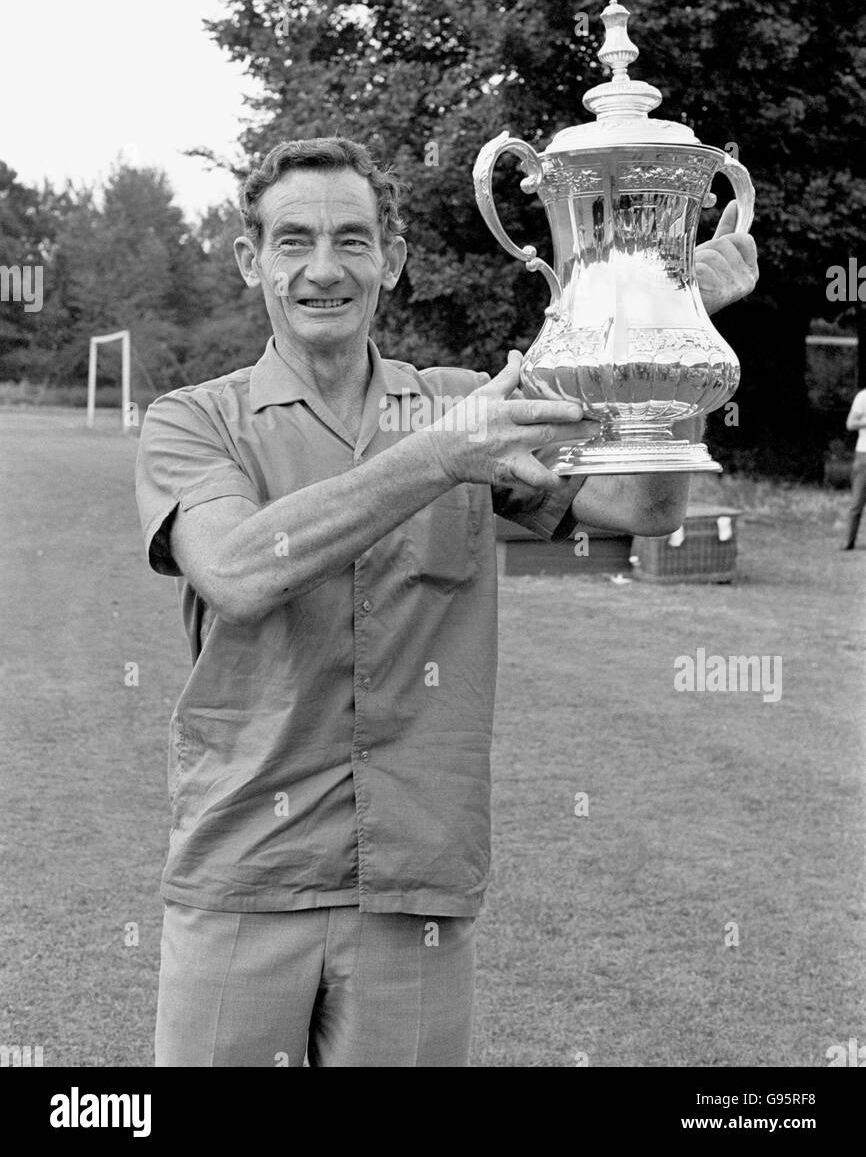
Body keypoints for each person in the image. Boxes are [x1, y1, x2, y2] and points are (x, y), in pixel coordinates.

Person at [135, 136, 758, 1067]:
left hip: (414, 885)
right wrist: (441, 456)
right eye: (294, 240)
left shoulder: (466, 404)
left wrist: (667, 330)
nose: (323, 269)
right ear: (249, 260)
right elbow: (236, 570)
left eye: (353, 240)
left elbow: (641, 507)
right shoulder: (193, 419)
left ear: (393, 259)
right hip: (245, 874)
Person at [842, 384, 866, 550]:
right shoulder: (863, 397)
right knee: (857, 502)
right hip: (864, 455)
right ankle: (848, 542)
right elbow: (850, 424)